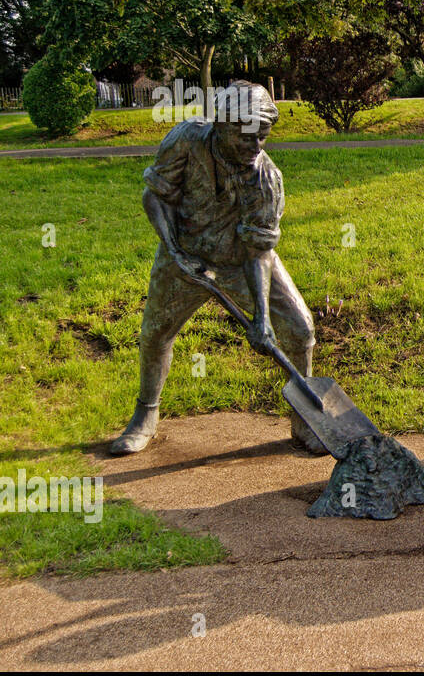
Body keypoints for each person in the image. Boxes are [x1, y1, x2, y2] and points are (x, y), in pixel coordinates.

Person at [110, 81, 324, 456]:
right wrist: (175, 252)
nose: (256, 146)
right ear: (221, 126)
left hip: (241, 262)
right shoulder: (187, 139)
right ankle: (145, 414)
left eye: (263, 137)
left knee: (300, 327)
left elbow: (258, 251)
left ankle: (305, 421)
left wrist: (261, 319)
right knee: (155, 332)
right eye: (246, 136)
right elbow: (155, 196)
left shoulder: (266, 178)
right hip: (184, 257)